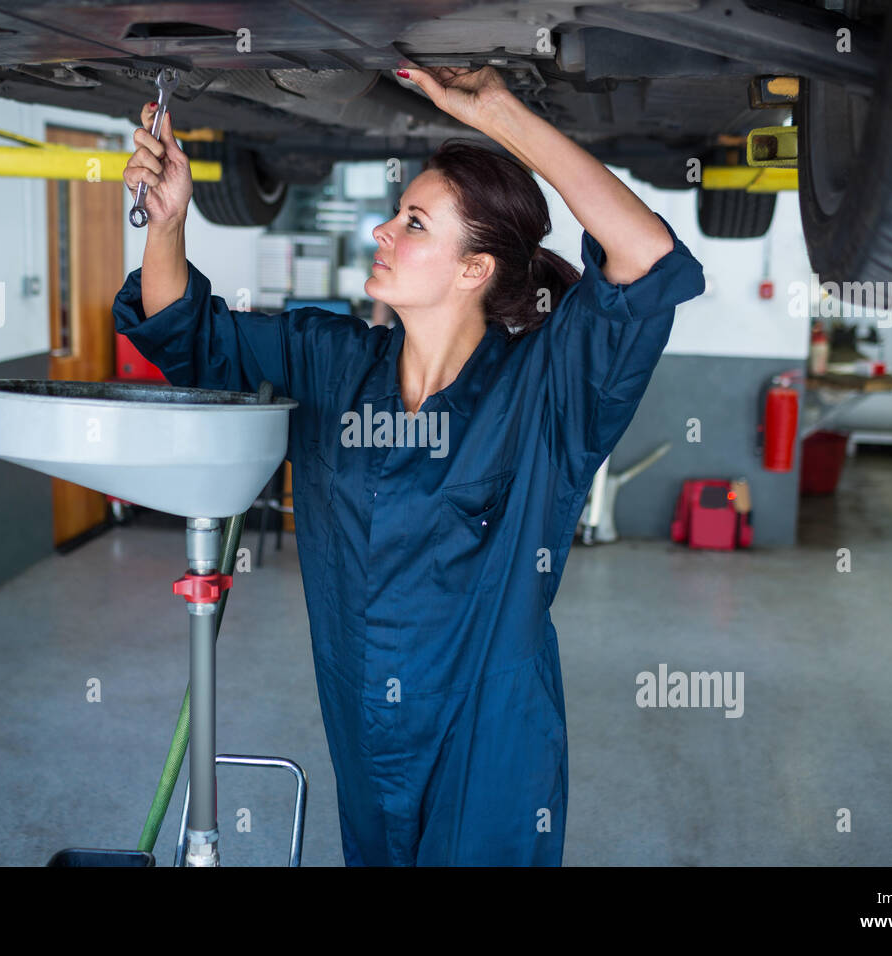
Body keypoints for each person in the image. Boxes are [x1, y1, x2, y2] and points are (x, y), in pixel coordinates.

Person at [113, 63, 705, 866]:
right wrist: (168, 221)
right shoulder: (332, 362)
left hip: (488, 745)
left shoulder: (546, 391)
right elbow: (185, 330)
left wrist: (503, 114)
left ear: (475, 269)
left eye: (414, 223)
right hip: (363, 726)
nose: (382, 234)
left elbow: (646, 258)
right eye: (397, 216)